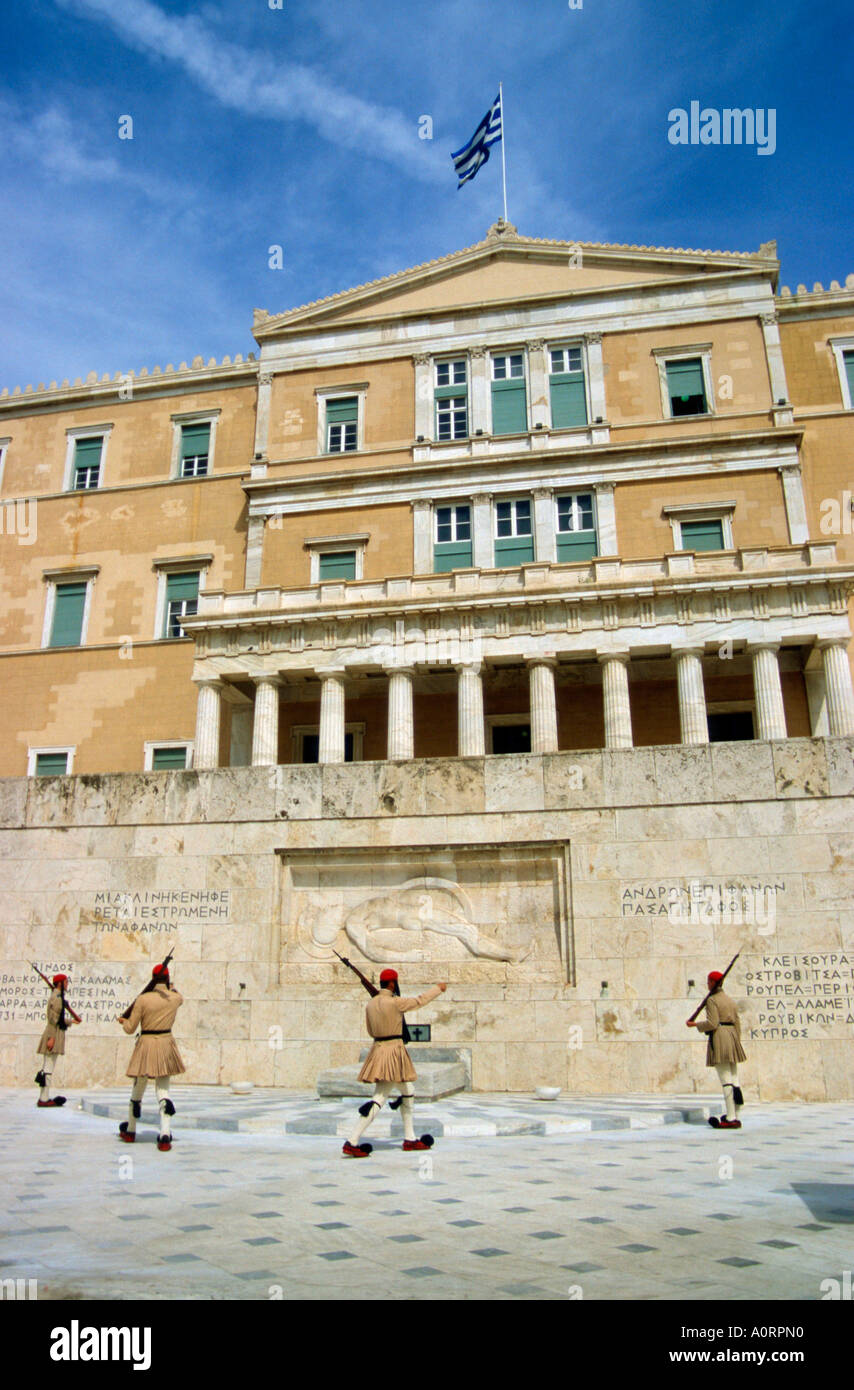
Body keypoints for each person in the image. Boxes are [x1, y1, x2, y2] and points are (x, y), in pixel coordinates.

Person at [343, 969, 447, 1158]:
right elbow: (419, 1001)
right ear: (392, 984)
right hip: (393, 1052)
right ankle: (352, 1140)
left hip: (378, 1048)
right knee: (381, 1096)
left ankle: (410, 1138)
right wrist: (438, 989)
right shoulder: (395, 1003)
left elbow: (370, 1029)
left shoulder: (370, 1005)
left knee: (408, 1091)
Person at [116, 963, 185, 1151]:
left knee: (138, 1090)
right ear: (168, 978)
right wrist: (170, 988)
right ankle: (164, 1134)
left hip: (146, 1044)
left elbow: (130, 1029)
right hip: (165, 1043)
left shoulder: (143, 999)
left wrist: (123, 1022)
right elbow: (179, 996)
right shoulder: (174, 999)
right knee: (163, 1091)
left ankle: (130, 1130)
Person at [687, 969, 747, 1129]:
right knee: (735, 1079)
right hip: (732, 1036)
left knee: (726, 1080)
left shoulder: (712, 1000)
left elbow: (712, 1023)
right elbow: (737, 1023)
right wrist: (735, 1040)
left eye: (708, 982)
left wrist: (695, 1025)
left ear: (713, 983)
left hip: (720, 1037)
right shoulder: (730, 1000)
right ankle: (736, 1114)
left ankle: (731, 1117)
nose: (707, 984)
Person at [35, 974, 80, 1108]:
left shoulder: (59, 997)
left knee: (47, 1067)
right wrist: (52, 1038)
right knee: (48, 1067)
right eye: (66, 982)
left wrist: (70, 1021)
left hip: (54, 1033)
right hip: (53, 1034)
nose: (67, 984)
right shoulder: (57, 998)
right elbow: (53, 1020)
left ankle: (44, 1096)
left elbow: (58, 1019)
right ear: (59, 983)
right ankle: (43, 1099)